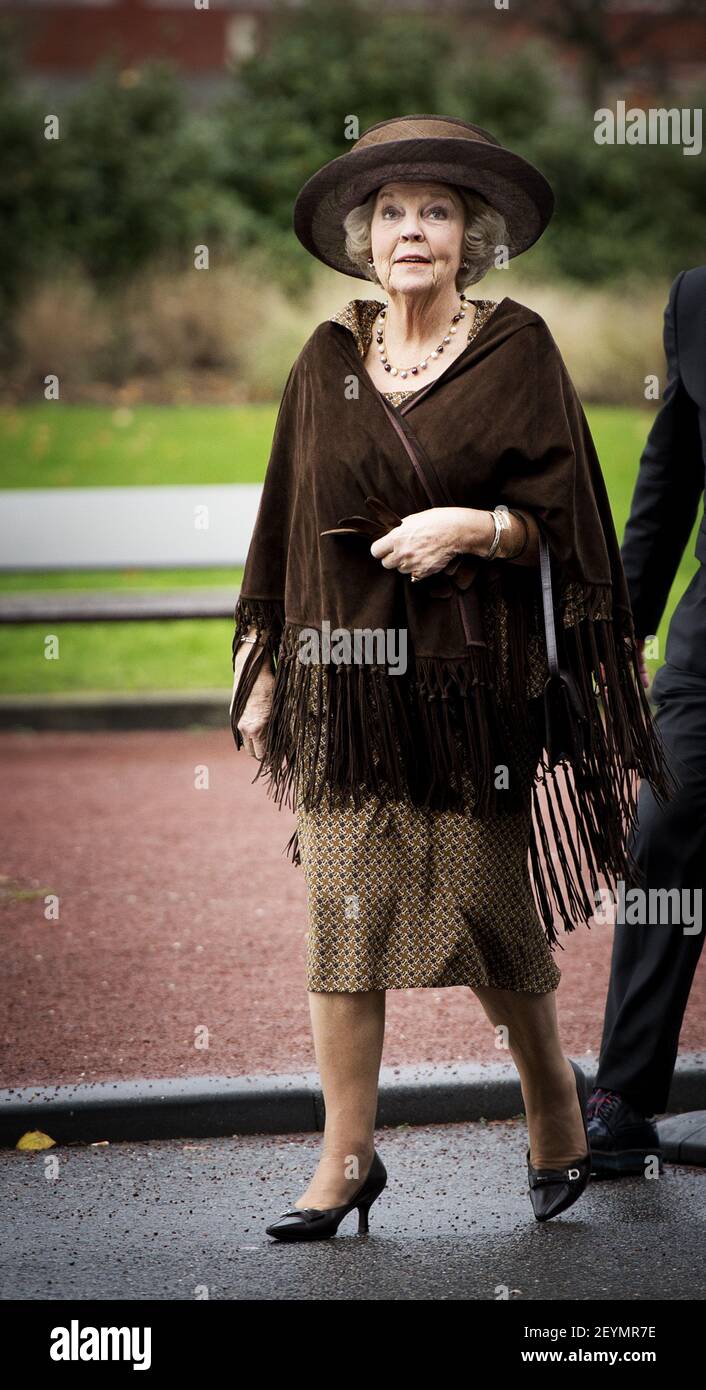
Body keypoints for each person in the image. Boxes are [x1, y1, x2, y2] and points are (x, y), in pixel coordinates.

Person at [229, 115, 677, 1239]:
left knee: (485, 915)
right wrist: (261, 658)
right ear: (364, 240)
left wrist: (468, 527)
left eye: (434, 211)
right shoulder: (327, 359)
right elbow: (282, 518)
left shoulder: (515, 347)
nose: (412, 230)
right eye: (391, 213)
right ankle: (344, 1160)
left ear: (469, 238)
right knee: (344, 921)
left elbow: (567, 525)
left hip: (470, 687)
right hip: (348, 688)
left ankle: (554, 1101)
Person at [588, 265, 706, 1175]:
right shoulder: (698, 298)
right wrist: (623, 630)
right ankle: (624, 1097)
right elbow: (671, 470)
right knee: (667, 828)